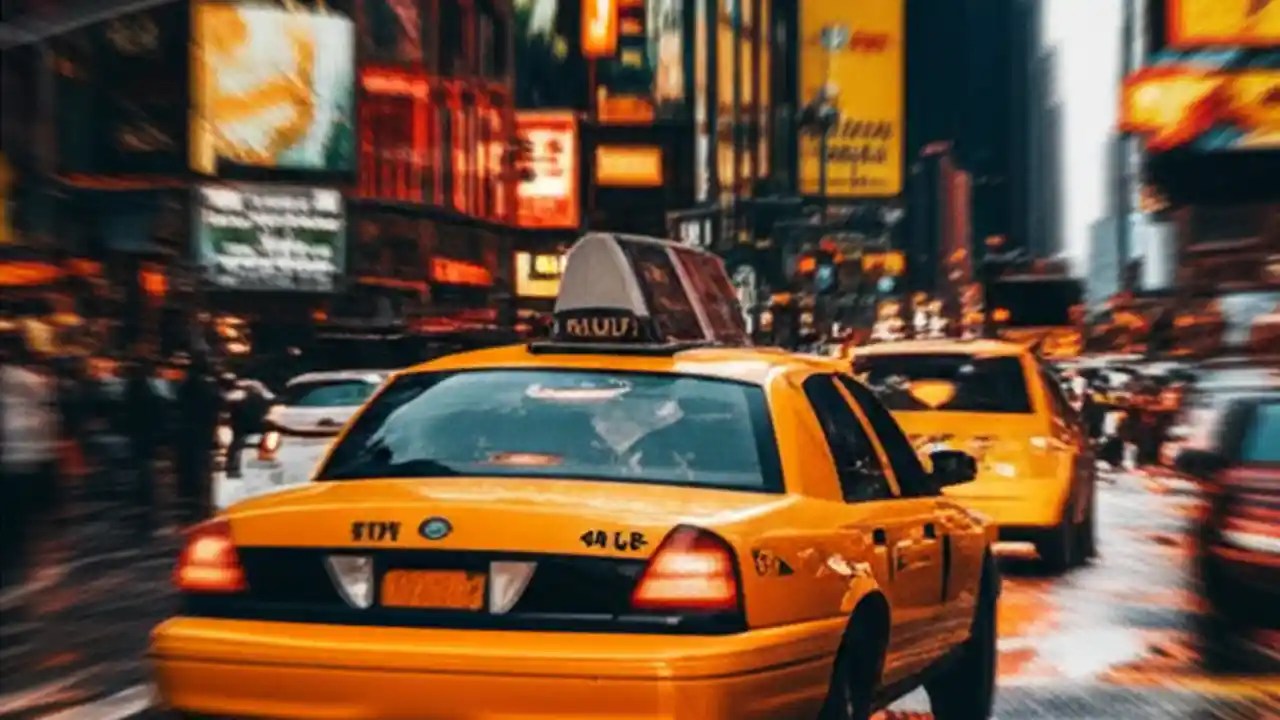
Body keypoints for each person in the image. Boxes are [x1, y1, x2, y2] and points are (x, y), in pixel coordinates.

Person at [175, 355, 220, 522]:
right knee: (200, 465)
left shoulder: (186, 385)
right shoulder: (207, 385)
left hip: (189, 430)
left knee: (190, 465)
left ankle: (189, 495)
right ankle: (198, 499)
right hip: (201, 430)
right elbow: (216, 404)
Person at [124, 356, 163, 539]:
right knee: (145, 470)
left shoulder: (132, 388)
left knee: (141, 468)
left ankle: (141, 501)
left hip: (137, 434)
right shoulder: (147, 389)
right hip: (145, 435)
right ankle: (146, 502)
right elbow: (154, 410)